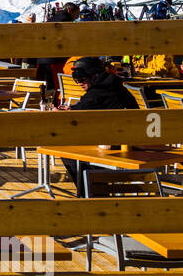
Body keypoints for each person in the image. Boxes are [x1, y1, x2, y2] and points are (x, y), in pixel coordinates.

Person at [58, 56, 138, 196]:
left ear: (94, 75)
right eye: (76, 78)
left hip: (116, 149)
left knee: (68, 153)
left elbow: (75, 117)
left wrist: (58, 112)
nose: (79, 83)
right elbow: (83, 108)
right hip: (129, 142)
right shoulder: (116, 87)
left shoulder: (96, 94)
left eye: (81, 78)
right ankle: (91, 192)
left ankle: (90, 194)